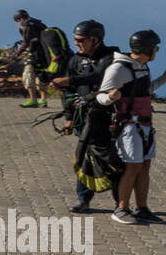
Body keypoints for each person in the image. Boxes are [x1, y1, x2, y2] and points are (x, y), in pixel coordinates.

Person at [98, 30, 166, 224]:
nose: (157, 51)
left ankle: (142, 208)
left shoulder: (142, 67)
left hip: (146, 124)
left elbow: (143, 91)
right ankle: (121, 208)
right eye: (155, 48)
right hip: (129, 126)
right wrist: (109, 97)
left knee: (144, 167)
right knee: (132, 167)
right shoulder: (118, 68)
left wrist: (164, 79)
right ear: (147, 49)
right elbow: (101, 95)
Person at [50, 20, 120, 213]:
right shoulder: (75, 60)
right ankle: (83, 200)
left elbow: (98, 76)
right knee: (85, 158)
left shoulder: (111, 58)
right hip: (83, 118)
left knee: (111, 159)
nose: (76, 44)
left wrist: (68, 80)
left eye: (81, 40)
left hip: (107, 117)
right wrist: (69, 118)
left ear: (95, 40)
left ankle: (120, 203)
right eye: (75, 39)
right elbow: (68, 91)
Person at [10, 9, 48, 108]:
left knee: (28, 74)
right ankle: (43, 100)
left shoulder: (27, 25)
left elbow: (26, 43)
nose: (18, 24)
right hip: (45, 55)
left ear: (20, 19)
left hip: (35, 54)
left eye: (18, 21)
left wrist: (17, 54)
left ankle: (33, 100)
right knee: (41, 75)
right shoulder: (38, 24)